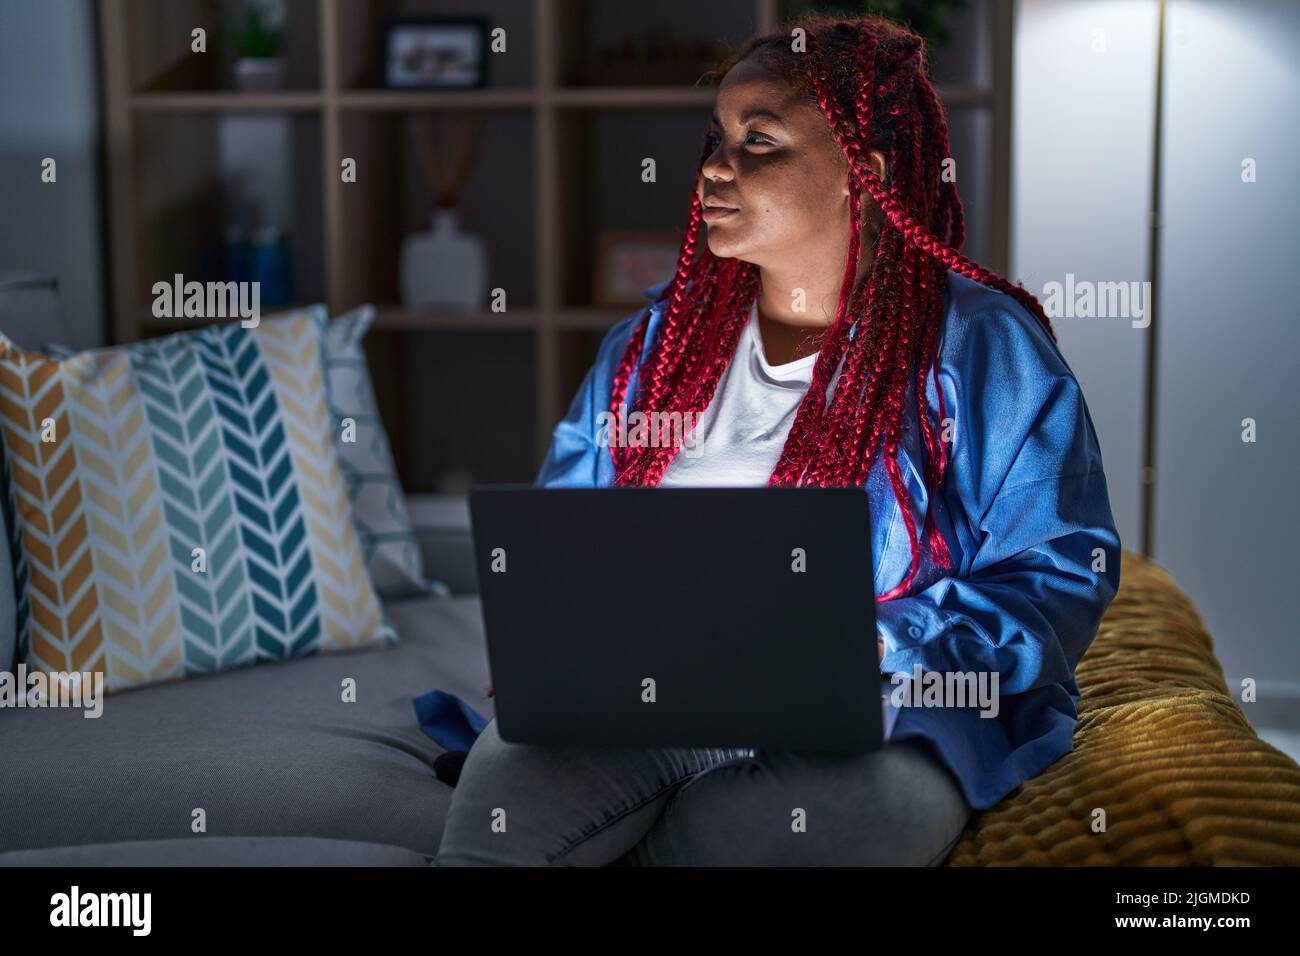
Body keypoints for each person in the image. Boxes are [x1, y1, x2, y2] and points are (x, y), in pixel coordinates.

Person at [434, 13, 1121, 866]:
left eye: (758, 142)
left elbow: (1059, 571)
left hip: (879, 704)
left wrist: (866, 639)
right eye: (715, 139)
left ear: (857, 175)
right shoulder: (654, 347)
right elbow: (562, 542)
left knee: (854, 820)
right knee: (510, 781)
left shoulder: (982, 346)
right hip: (646, 691)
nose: (715, 169)